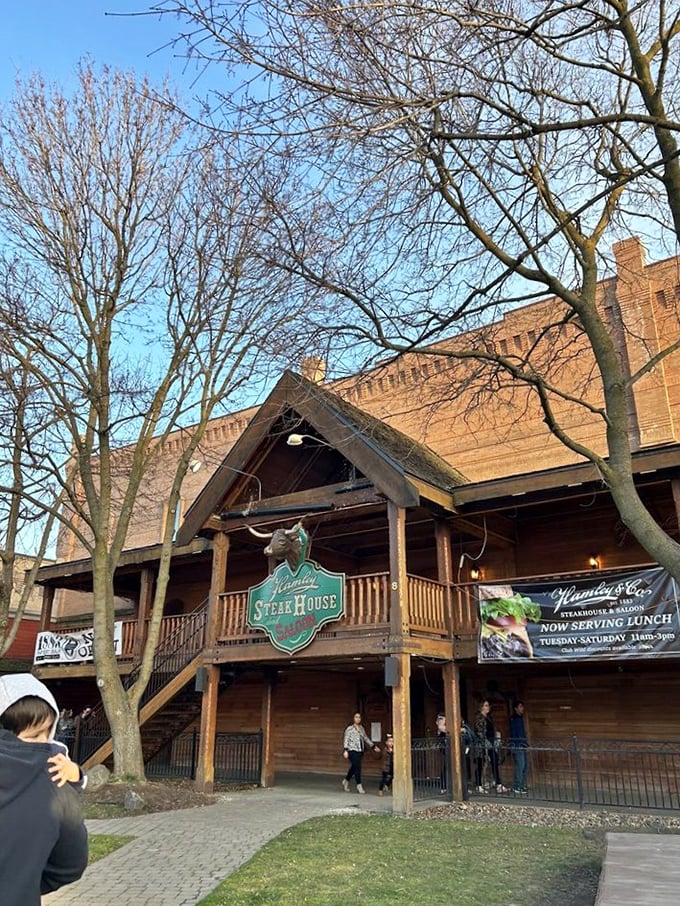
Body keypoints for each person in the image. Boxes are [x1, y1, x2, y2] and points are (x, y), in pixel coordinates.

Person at [0, 673, 89, 906]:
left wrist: (77, 775)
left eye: (47, 733)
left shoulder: (58, 770)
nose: (43, 742)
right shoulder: (54, 781)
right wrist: (22, 885)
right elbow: (71, 864)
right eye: (34, 735)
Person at [473, 699, 508, 794]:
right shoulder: (480, 718)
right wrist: (486, 743)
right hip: (483, 745)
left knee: (494, 762)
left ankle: (498, 784)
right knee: (480, 764)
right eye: (486, 705)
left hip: (491, 743)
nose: (488, 707)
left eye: (488, 705)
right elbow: (480, 732)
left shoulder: (488, 717)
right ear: (481, 707)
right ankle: (478, 785)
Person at [342, 712, 380, 794]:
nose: (358, 719)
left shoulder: (361, 728)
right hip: (352, 750)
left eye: (359, 717)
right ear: (353, 718)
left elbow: (365, 738)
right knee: (357, 767)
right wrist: (345, 750)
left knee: (354, 767)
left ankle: (346, 780)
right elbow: (346, 739)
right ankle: (359, 785)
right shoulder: (349, 729)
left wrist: (373, 746)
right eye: (356, 717)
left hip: (360, 750)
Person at [509, 700, 529, 794]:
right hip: (517, 745)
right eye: (520, 707)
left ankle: (521, 785)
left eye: (522, 706)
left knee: (525, 766)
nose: (522, 708)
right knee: (520, 766)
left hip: (522, 745)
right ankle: (517, 786)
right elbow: (516, 733)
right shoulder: (514, 719)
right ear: (516, 708)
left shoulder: (520, 718)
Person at [436, 711, 449, 794]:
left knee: (448, 766)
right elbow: (444, 729)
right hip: (444, 747)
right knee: (447, 766)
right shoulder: (441, 724)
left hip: (447, 746)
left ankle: (445, 786)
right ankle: (443, 786)